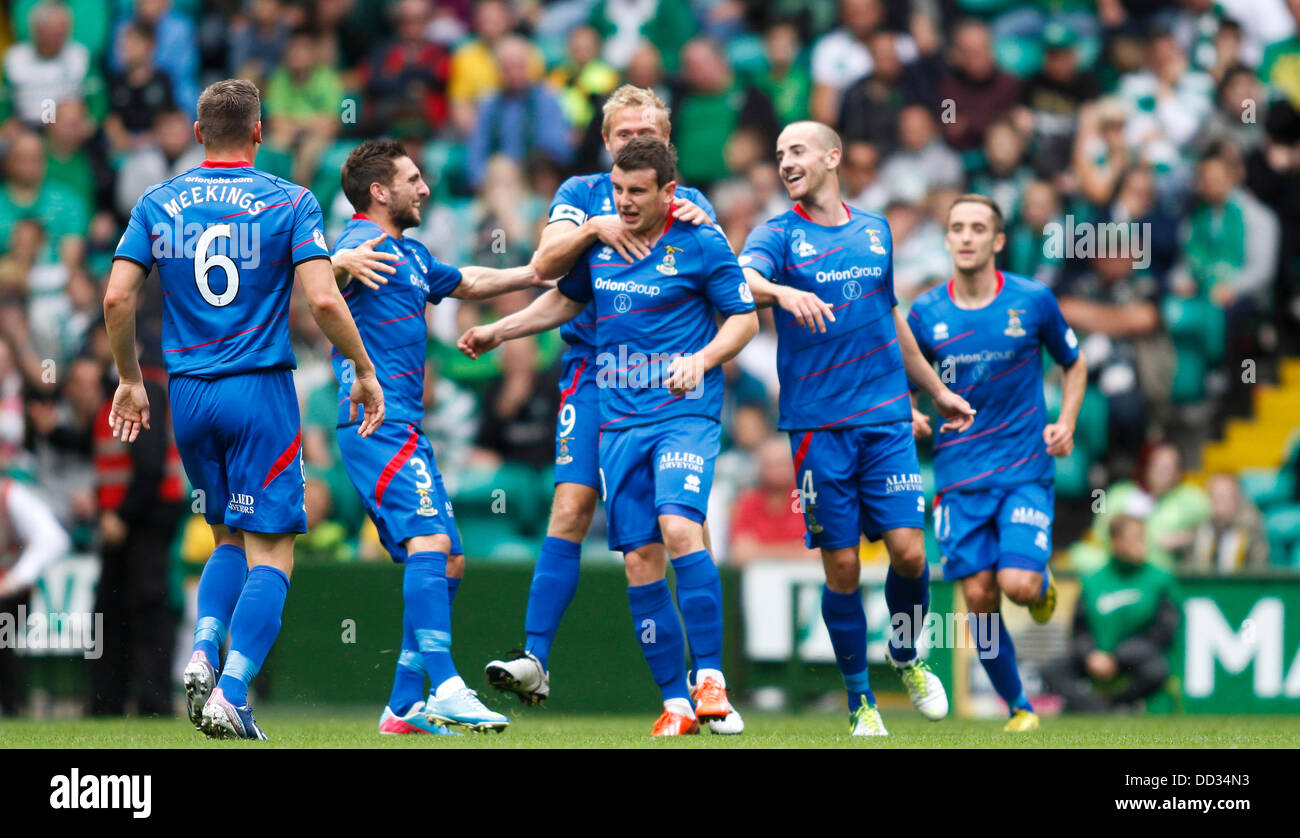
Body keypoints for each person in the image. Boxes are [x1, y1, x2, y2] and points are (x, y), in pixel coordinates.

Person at [106, 79, 385, 740]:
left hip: (189, 395)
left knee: (227, 533)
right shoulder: (289, 200)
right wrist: (365, 370)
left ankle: (203, 648)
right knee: (274, 547)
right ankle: (232, 689)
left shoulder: (158, 201)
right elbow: (320, 301)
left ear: (200, 134)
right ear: (259, 133)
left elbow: (118, 298)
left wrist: (129, 381)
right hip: (258, 390)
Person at [460, 138, 759, 736]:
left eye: (637, 191)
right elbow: (562, 303)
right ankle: (676, 703)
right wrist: (501, 330)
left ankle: (711, 679)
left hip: (683, 411)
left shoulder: (700, 239)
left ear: (668, 192)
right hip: (619, 421)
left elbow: (745, 318)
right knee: (641, 561)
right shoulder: (600, 245)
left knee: (679, 526)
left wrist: (701, 360)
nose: (624, 201)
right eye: (618, 189)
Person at [739, 121, 973, 737]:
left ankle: (905, 652)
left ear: (831, 157)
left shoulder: (876, 230)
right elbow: (742, 280)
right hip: (818, 427)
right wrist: (782, 294)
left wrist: (937, 389)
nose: (786, 161)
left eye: (797, 150)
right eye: (780, 151)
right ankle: (859, 700)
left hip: (887, 417)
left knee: (910, 551)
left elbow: (888, 318)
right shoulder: (777, 234)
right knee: (842, 569)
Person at [329, 140, 550, 734]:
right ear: (380, 192)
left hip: (406, 428)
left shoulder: (412, 253)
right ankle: (447, 685)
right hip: (377, 424)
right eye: (413, 179)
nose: (425, 188)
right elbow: (315, 286)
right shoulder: (358, 243)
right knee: (429, 544)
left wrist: (532, 271)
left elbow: (470, 281)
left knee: (450, 556)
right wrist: (335, 266)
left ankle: (403, 705)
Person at [907, 193, 1088, 732]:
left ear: (998, 241)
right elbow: (905, 378)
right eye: (957, 227)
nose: (966, 236)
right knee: (980, 597)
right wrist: (909, 414)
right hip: (958, 478)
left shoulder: (1032, 301)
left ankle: (1039, 582)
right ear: (946, 239)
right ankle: (1020, 708)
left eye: (977, 228)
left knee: (1016, 585)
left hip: (1024, 471)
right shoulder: (925, 312)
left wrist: (1068, 423)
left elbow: (1073, 365)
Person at [1042, 514, 1179, 713]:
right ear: (1116, 542)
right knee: (1052, 670)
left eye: (1143, 538)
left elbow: (1163, 632)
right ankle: (1096, 710)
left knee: (1157, 670)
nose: (1142, 544)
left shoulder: (1160, 580)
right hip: (1095, 660)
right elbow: (1079, 630)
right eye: (1135, 538)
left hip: (1133, 660)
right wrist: (1091, 655)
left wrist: (1117, 656)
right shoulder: (1093, 581)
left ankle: (1115, 704)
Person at [0, 474, 72, 716]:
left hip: (9, 594)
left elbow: (54, 539)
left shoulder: (12, 496)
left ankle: (11, 707)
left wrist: (15, 579)